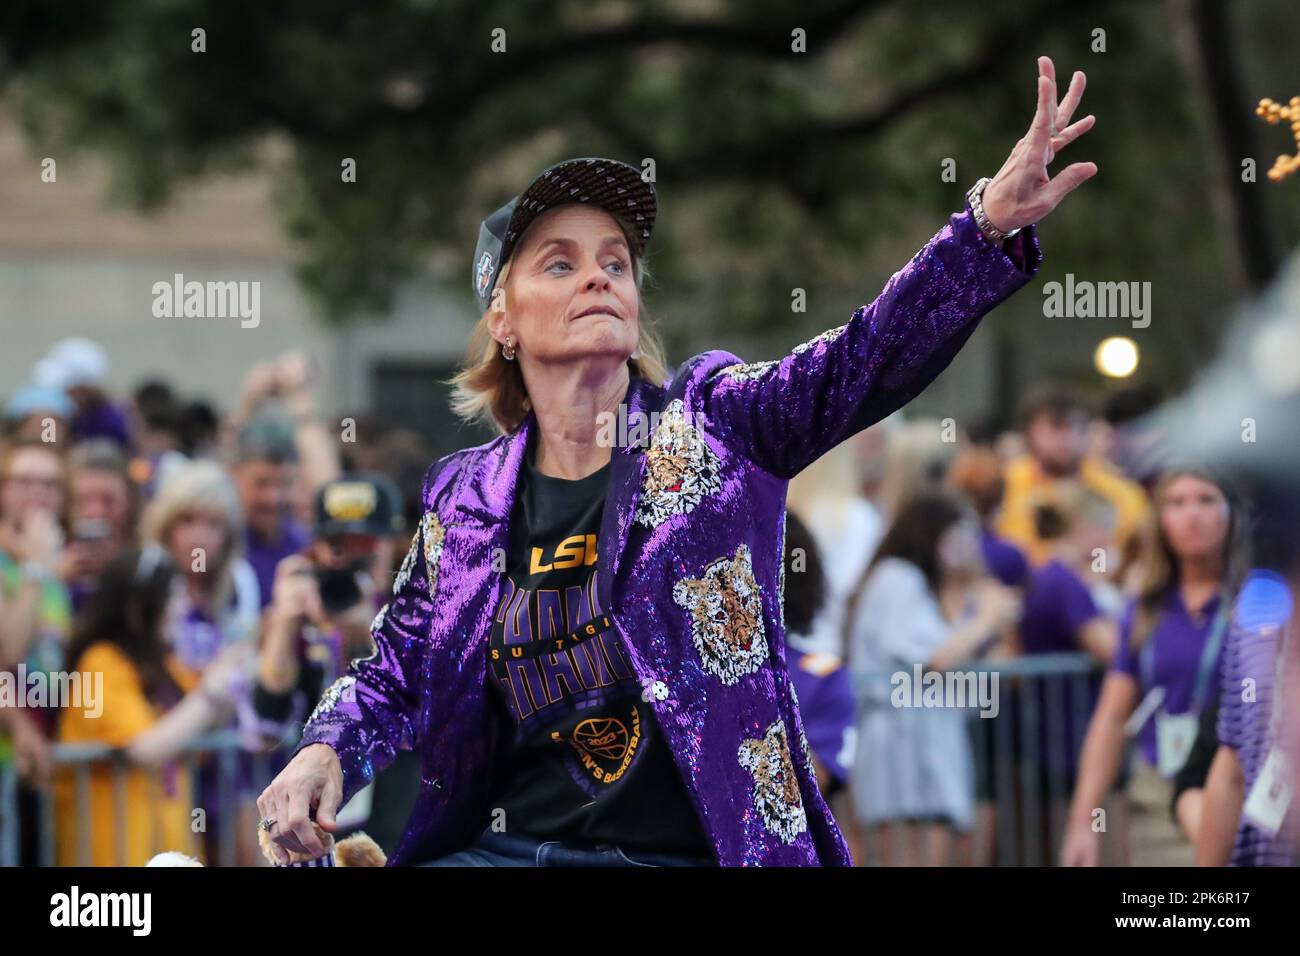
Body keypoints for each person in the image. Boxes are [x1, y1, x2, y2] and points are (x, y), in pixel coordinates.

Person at [260, 56, 1097, 867]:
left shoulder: (714, 423)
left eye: (615, 262)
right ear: (504, 321)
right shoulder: (462, 496)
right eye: (561, 262)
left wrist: (981, 229)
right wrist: (321, 751)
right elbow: (395, 669)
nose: (600, 278)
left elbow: (860, 360)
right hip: (505, 851)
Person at [1061, 468, 1244, 866]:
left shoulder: (1257, 601)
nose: (1192, 515)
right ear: (1159, 519)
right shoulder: (1145, 608)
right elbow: (1111, 718)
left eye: (1206, 499)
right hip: (1155, 793)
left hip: (1232, 792)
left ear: (1232, 513)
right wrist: (1083, 823)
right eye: (1176, 503)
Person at [845, 493, 1020, 865]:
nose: (971, 548)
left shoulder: (920, 588)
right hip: (900, 752)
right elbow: (935, 659)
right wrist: (986, 619)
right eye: (961, 535)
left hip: (923, 752)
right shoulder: (897, 578)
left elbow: (959, 677)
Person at [54, 547, 250, 865]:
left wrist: (238, 672)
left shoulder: (166, 665)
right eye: (173, 596)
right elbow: (141, 748)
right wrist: (211, 692)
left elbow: (205, 721)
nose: (182, 606)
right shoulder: (100, 663)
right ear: (137, 608)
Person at [998, 384, 1149, 566]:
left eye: (1079, 426)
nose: (1069, 436)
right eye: (1056, 425)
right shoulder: (1004, 484)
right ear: (1029, 431)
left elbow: (1138, 551)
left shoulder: (1119, 491)